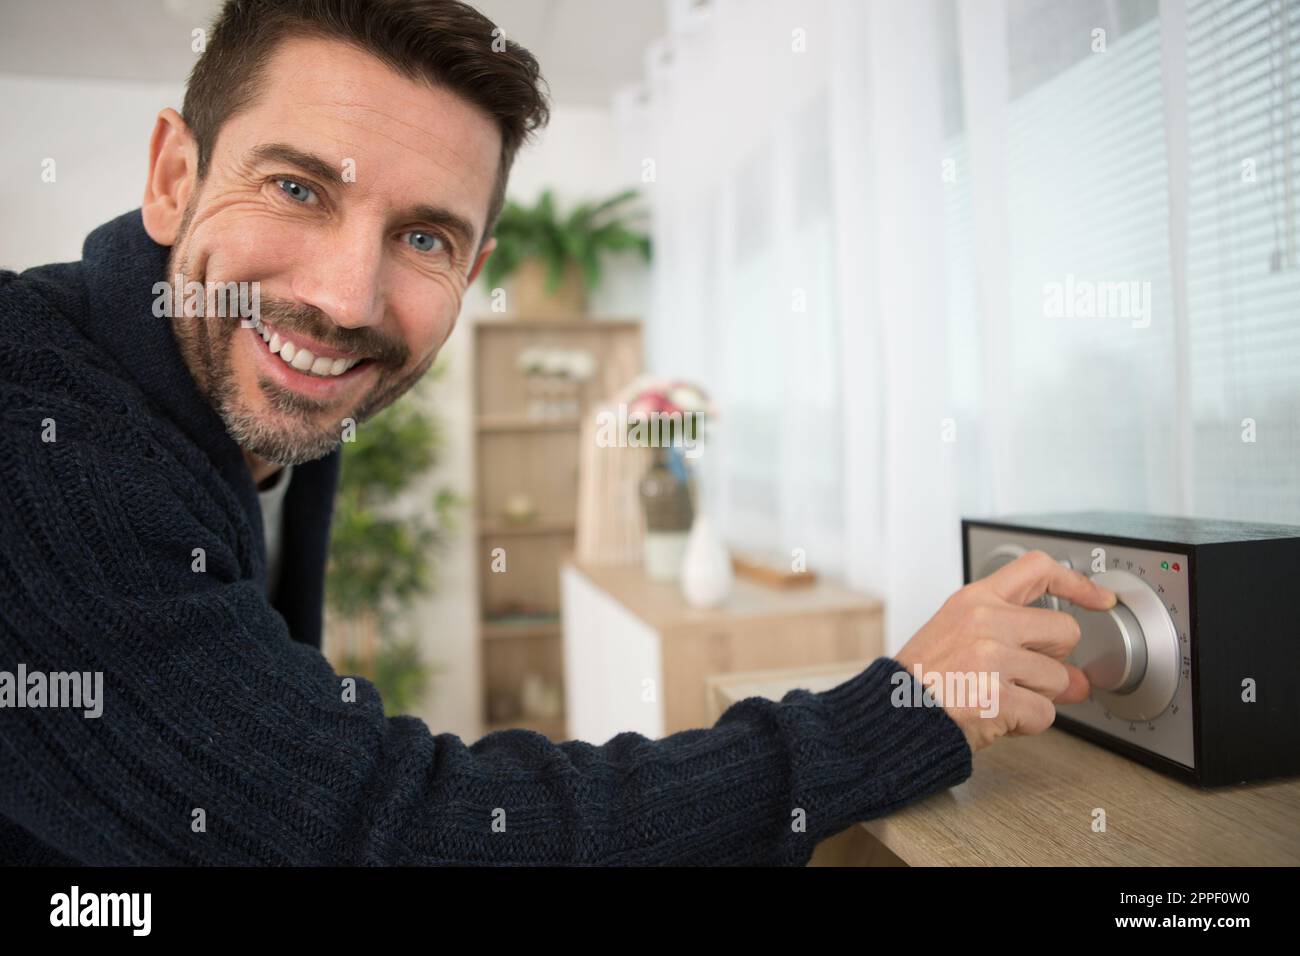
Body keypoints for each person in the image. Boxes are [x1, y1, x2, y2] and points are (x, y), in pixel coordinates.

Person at [0, 0, 1116, 865]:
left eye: (425, 238)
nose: (346, 298)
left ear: (471, 268)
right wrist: (896, 712)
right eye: (296, 187)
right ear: (172, 178)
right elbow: (383, 834)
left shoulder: (252, 398)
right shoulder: (44, 433)